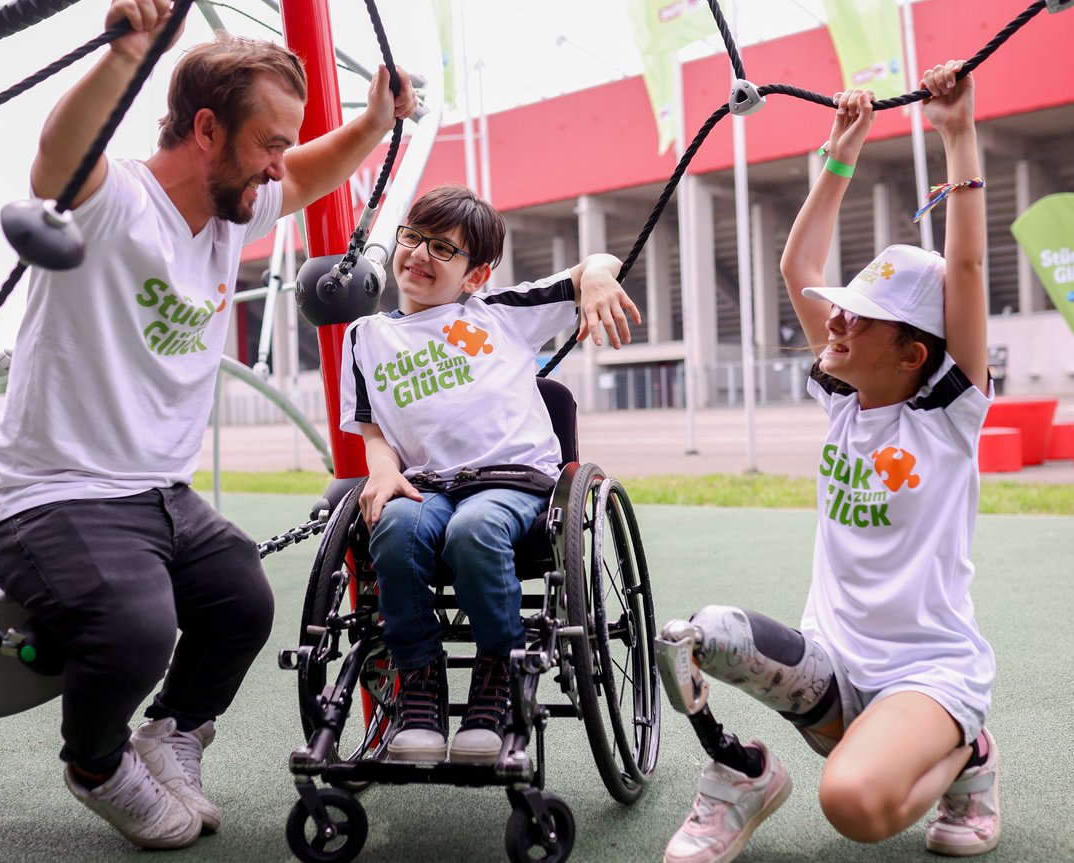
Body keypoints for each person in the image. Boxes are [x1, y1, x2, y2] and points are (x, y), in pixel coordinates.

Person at [0, 0, 416, 850]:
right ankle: (97, 764)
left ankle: (172, 732)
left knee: (241, 600)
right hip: (53, 498)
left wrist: (372, 124)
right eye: (268, 143)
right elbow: (58, 159)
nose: (277, 165)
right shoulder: (113, 202)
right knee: (135, 631)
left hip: (158, 495)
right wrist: (126, 56)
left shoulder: (229, 206)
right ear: (207, 129)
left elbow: (307, 176)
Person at [662, 60, 999, 863]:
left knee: (852, 802)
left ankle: (968, 756)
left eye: (863, 317)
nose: (838, 321)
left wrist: (957, 132)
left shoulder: (948, 416)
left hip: (925, 676)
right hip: (835, 670)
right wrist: (842, 152)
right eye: (843, 309)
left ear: (914, 355)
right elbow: (798, 270)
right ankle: (744, 772)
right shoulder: (845, 396)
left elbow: (966, 270)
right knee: (707, 633)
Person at [339, 184, 640, 764]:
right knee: (394, 530)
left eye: (442, 248)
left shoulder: (500, 313)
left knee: (473, 529)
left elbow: (593, 266)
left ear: (475, 275)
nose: (419, 254)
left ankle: (498, 674)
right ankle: (418, 685)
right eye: (413, 237)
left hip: (513, 481)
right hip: (427, 484)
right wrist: (380, 472)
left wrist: (600, 276)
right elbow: (372, 429)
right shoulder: (365, 337)